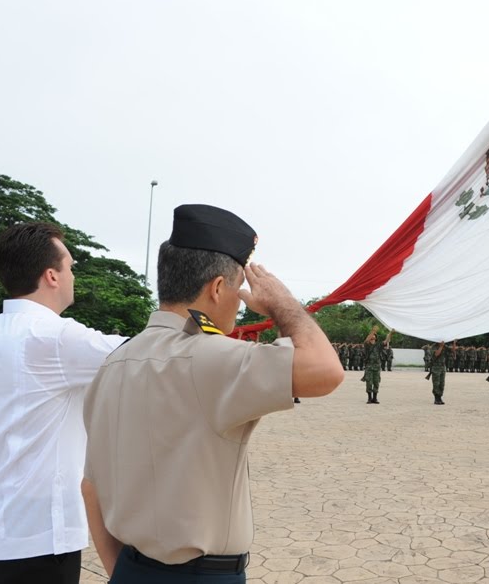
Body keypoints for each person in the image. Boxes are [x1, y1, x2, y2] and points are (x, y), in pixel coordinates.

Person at [81, 204, 343, 583]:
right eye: (239, 291)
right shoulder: (210, 357)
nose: (241, 304)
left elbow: (91, 488)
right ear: (218, 288)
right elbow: (325, 370)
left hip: (130, 569)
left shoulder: (113, 364)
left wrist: (122, 573)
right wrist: (281, 302)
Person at [0, 223, 127, 584]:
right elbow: (146, 355)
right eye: (70, 267)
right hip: (37, 544)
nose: (73, 275)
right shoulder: (55, 336)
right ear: (51, 276)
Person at [363, 329, 382, 403]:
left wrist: (390, 333)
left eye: (374, 338)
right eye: (371, 338)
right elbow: (366, 340)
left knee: (376, 383)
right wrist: (373, 332)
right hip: (369, 367)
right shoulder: (367, 346)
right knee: (369, 383)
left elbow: (386, 341)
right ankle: (369, 398)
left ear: (376, 339)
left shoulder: (378, 346)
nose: (372, 339)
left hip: (377, 367)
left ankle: (375, 398)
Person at [428, 341, 446, 405]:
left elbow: (453, 351)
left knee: (442, 383)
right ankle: (436, 398)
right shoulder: (433, 347)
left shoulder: (444, 346)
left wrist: (454, 343)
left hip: (442, 367)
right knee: (436, 383)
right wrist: (441, 346)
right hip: (436, 367)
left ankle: (440, 397)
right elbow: (436, 354)